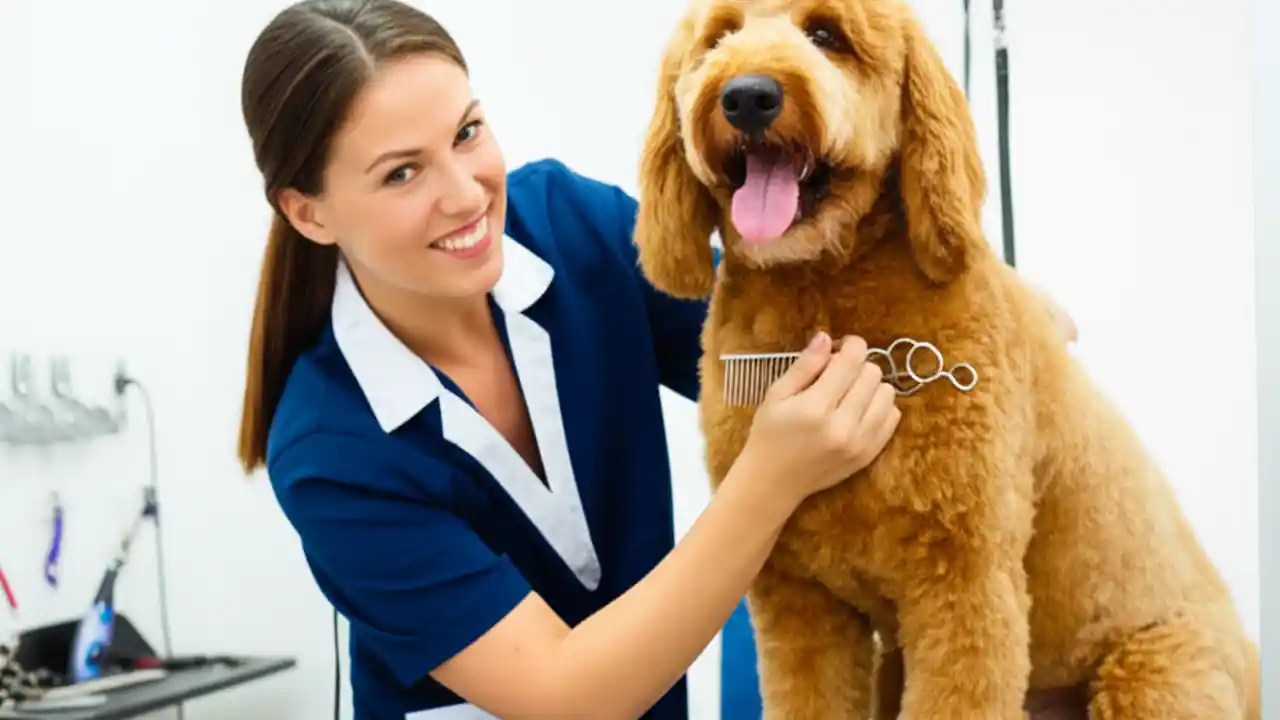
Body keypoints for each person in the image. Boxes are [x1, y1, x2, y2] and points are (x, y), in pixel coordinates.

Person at [235, 1, 1080, 718]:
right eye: (401, 174)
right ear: (310, 213)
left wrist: (984, 306)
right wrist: (770, 477)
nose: (464, 192)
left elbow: (792, 350)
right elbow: (568, 695)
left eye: (467, 132)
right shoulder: (330, 451)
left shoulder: (571, 229)